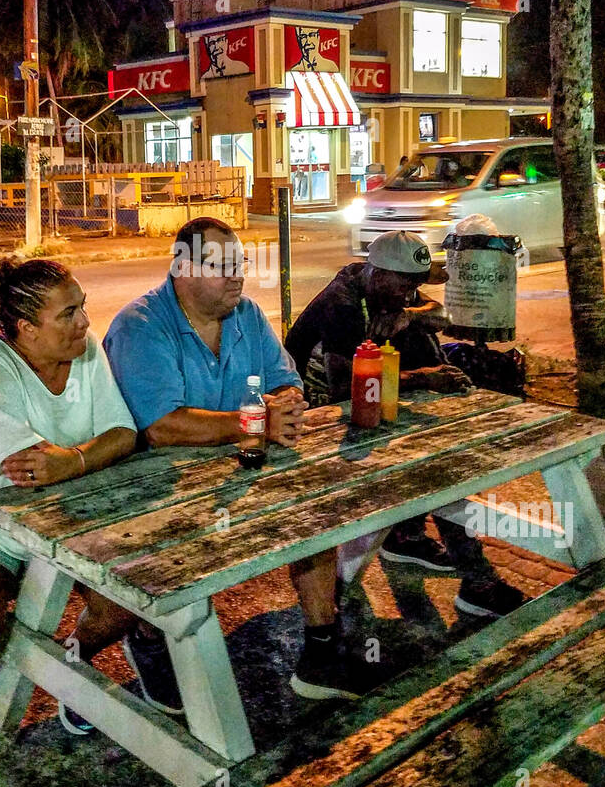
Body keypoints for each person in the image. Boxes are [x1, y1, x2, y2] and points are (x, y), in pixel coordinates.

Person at [104, 217, 369, 703]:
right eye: (220, 265)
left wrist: (286, 403)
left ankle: (322, 653)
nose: (237, 275)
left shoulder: (246, 315)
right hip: (156, 489)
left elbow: (282, 378)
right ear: (182, 268)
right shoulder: (140, 326)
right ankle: (147, 640)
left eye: (239, 263)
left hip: (239, 469)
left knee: (312, 512)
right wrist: (257, 423)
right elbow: (162, 426)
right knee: (175, 561)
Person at [0, 256, 137, 787]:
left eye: (82, 307)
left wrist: (75, 460)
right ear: (25, 329)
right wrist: (78, 458)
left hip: (67, 522)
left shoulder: (84, 355)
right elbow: (29, 467)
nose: (85, 322)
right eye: (68, 313)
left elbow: (123, 433)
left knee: (128, 604)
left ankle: (71, 671)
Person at [285, 230, 525, 620]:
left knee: (440, 464)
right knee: (438, 473)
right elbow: (344, 384)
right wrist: (425, 378)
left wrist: (408, 315)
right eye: (404, 285)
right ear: (377, 272)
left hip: (372, 406)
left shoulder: (391, 289)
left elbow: (442, 317)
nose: (409, 292)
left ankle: (406, 535)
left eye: (416, 284)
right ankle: (474, 579)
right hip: (323, 418)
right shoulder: (342, 304)